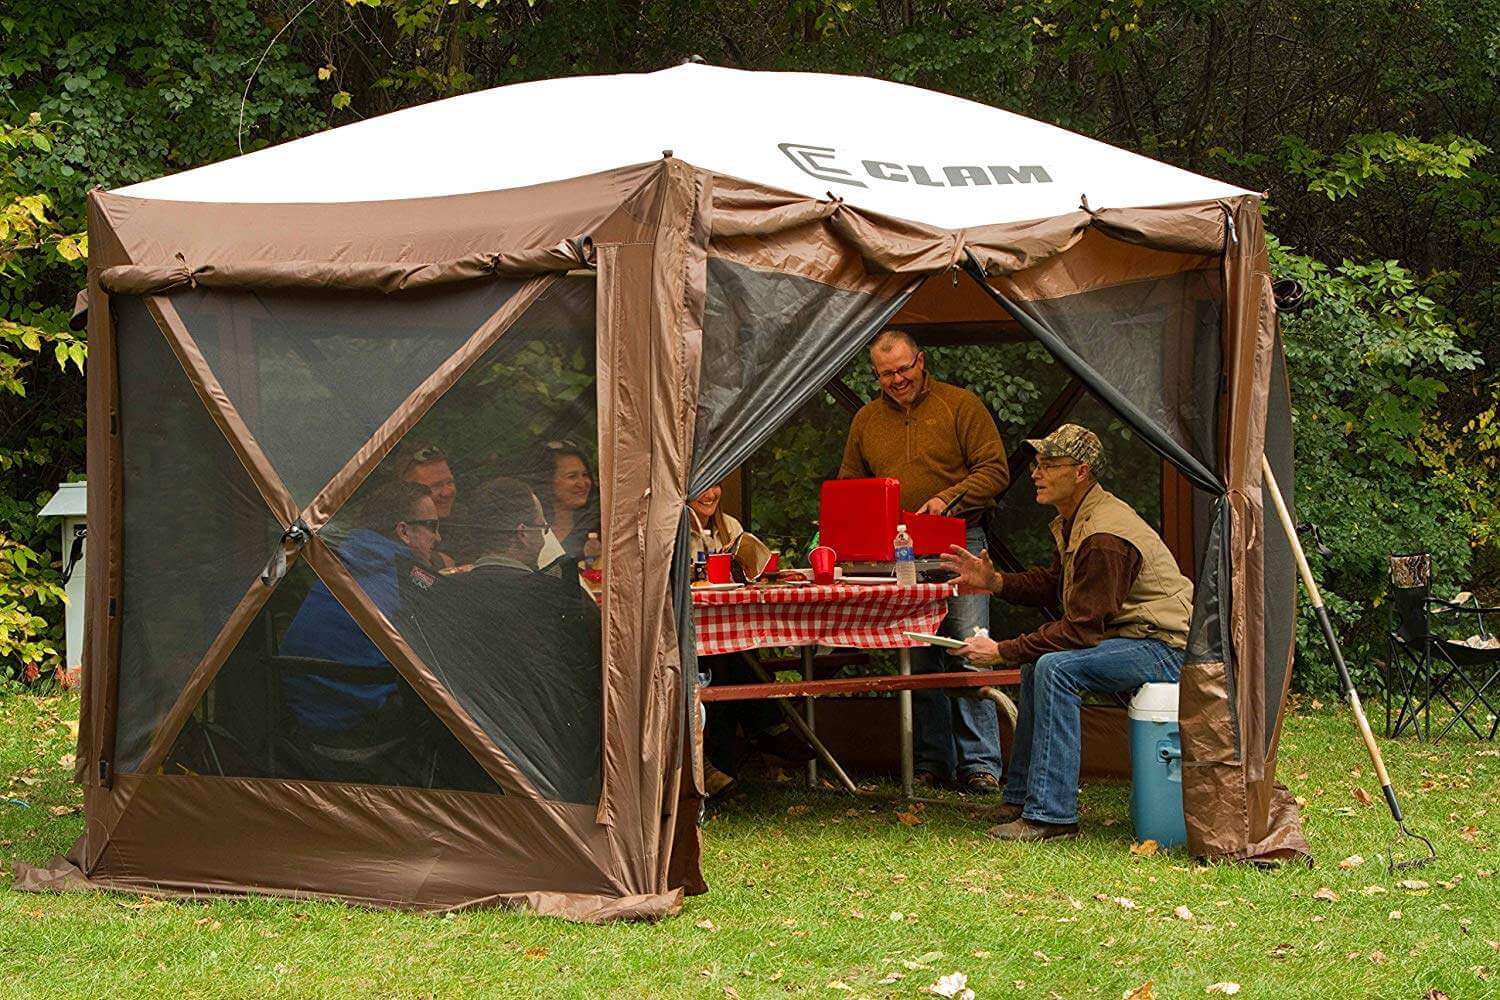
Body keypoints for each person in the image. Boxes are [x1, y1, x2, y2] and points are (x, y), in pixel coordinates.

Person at [942, 424, 1194, 842]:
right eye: (1036, 465)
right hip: (1132, 639)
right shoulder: (1076, 519)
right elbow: (1056, 586)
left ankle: (1051, 817)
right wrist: (995, 581)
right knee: (1038, 666)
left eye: (1049, 465)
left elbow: (1080, 631)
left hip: (1164, 647)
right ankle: (1022, 799)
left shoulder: (1105, 535)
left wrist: (1002, 650)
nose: (1036, 474)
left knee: (1056, 668)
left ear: (1080, 471)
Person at [838, 328, 1010, 794]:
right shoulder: (866, 420)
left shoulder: (961, 405)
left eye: (903, 369)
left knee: (970, 644)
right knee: (917, 648)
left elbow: (996, 470)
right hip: (897, 549)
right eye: (885, 374)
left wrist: (947, 499)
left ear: (922, 360)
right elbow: (850, 485)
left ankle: (981, 764)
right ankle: (932, 760)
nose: (896, 380)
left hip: (961, 541)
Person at [404, 477, 603, 804]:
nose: (545, 537)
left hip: (468, 768)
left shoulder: (443, 597)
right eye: (542, 528)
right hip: (557, 771)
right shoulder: (561, 598)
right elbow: (602, 674)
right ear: (523, 533)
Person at [280, 480, 442, 733]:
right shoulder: (407, 580)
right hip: (362, 720)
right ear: (404, 532)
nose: (438, 537)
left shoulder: (343, 563)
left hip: (304, 715)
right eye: (432, 526)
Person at [688, 482, 810, 795]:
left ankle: (723, 765)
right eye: (701, 484)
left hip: (722, 627)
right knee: (725, 658)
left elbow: (751, 572)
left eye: (715, 484)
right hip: (684, 630)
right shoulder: (672, 528)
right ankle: (769, 727)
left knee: (730, 655)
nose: (710, 493)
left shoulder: (730, 527)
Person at [541, 442, 600, 563]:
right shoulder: (532, 528)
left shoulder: (599, 528)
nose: (582, 483)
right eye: (572, 476)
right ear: (548, 481)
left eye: (585, 475)